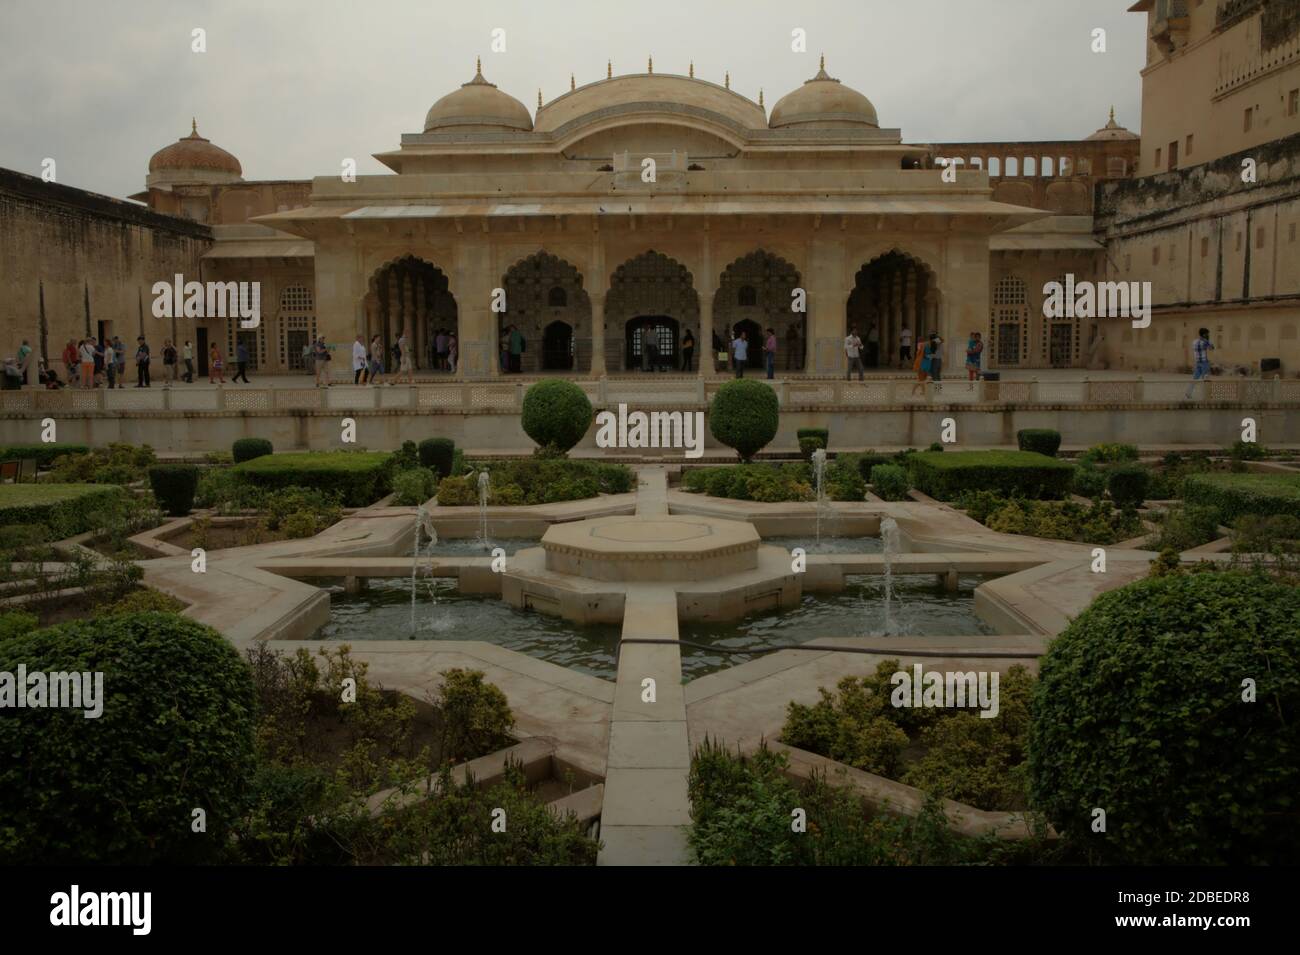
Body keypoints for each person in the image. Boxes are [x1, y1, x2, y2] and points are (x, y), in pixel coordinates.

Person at [1185, 327, 1215, 399]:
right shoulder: (1205, 342)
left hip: (1197, 362)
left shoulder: (1194, 342)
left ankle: (1188, 393)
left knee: (1194, 379)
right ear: (1204, 334)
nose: (1208, 335)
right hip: (1204, 363)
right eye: (1207, 334)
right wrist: (1208, 341)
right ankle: (1207, 395)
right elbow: (1212, 348)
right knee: (1206, 379)